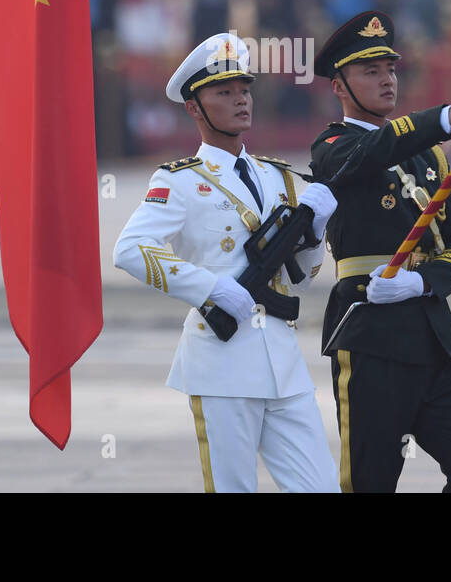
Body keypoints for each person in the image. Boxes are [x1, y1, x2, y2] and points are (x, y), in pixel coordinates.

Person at [113, 34, 339, 492]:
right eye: (224, 92)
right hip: (222, 363)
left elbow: (302, 281)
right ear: (194, 107)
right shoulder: (177, 181)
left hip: (282, 361)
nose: (240, 101)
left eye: (244, 90)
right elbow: (130, 249)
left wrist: (315, 235)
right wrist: (209, 288)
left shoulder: (279, 177)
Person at [310, 10, 451, 493]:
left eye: (391, 70)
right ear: (339, 86)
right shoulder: (333, 148)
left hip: (432, 339)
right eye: (370, 72)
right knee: (371, 482)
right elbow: (377, 151)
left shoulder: (431, 156)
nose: (386, 81)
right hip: (370, 341)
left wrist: (423, 281)